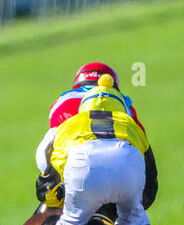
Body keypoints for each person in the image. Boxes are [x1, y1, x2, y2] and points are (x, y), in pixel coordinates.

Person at [16, 76, 181, 225]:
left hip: (84, 173)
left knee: (69, 224)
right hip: (126, 171)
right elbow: (151, 182)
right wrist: (132, 207)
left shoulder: (69, 125)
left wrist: (62, 195)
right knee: (137, 223)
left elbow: (47, 184)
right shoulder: (130, 123)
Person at [34, 62, 148, 207]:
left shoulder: (61, 99)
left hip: (68, 170)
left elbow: (52, 144)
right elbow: (140, 142)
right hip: (113, 171)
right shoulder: (123, 101)